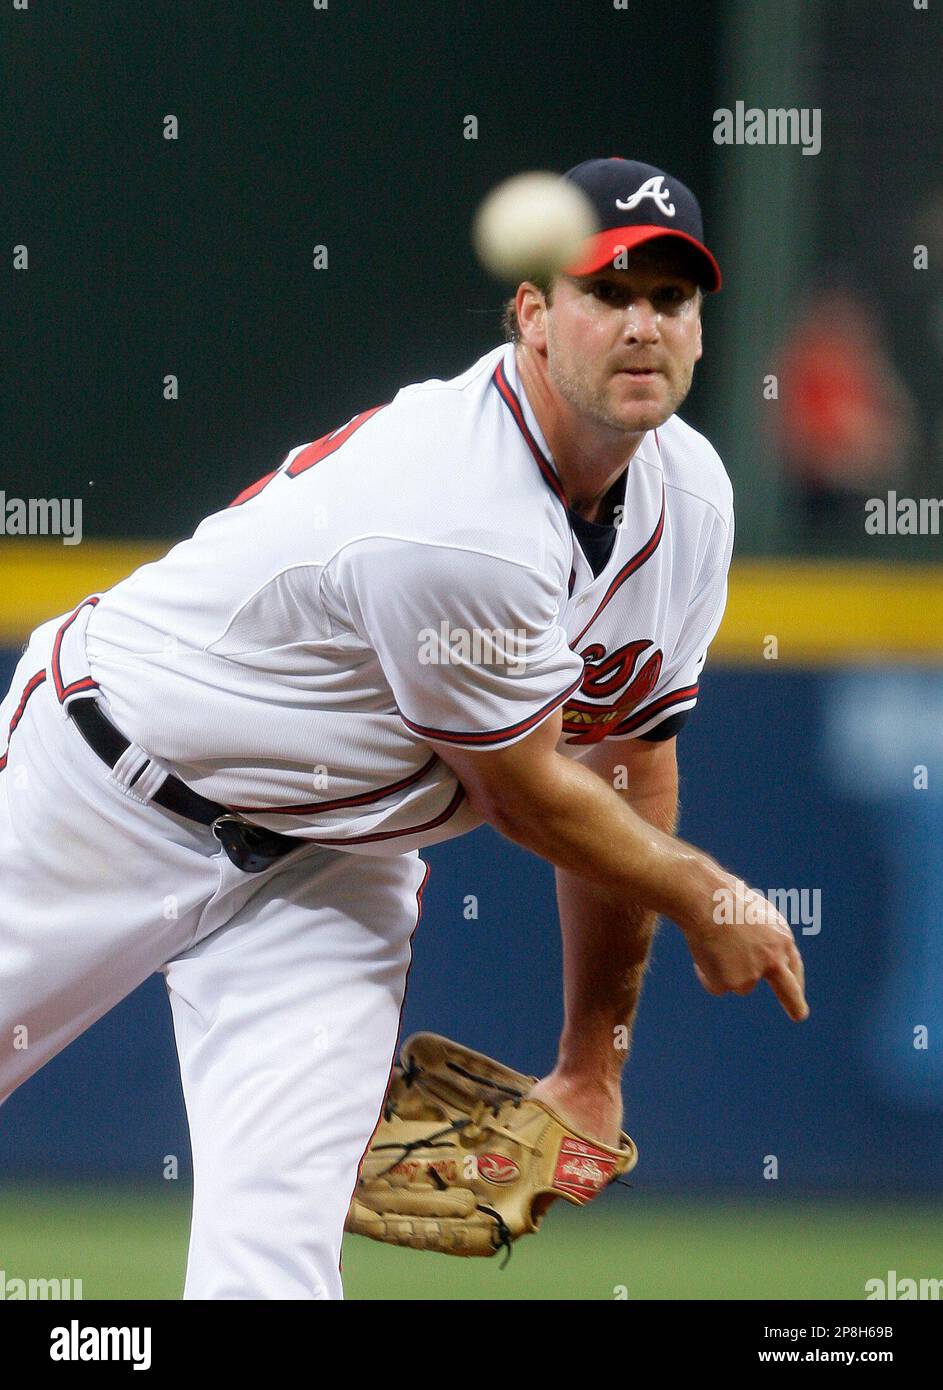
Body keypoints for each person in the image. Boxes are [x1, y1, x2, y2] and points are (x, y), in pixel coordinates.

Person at [0, 158, 807, 1300]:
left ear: (701, 331)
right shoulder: (456, 507)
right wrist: (703, 897)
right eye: (607, 293)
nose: (642, 325)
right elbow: (525, 794)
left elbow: (626, 763)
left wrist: (590, 1064)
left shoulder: (695, 502)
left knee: (274, 1267)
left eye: (670, 300)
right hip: (104, 787)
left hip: (332, 864)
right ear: (532, 314)